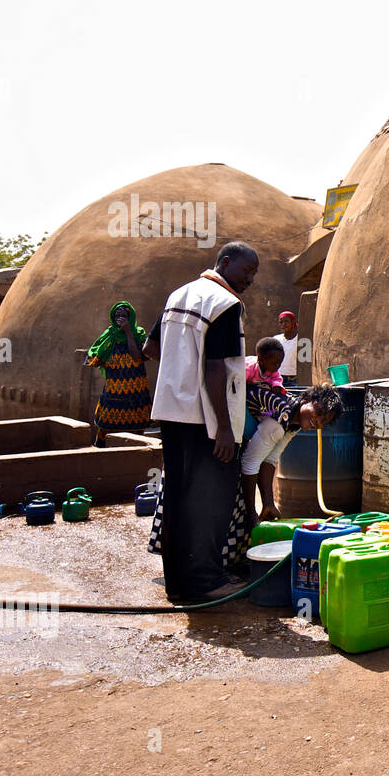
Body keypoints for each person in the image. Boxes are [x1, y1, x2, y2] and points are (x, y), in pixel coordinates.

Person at [144, 242, 258, 602]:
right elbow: (214, 369)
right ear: (225, 262)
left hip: (173, 412)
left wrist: (179, 373)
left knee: (178, 494)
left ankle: (179, 582)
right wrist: (224, 428)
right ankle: (206, 581)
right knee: (210, 500)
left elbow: (152, 349)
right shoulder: (223, 304)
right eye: (245, 271)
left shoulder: (179, 295)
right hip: (207, 420)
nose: (250, 279)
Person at [241, 384, 344, 525]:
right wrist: (251, 513)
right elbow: (249, 464)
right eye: (318, 412)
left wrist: (269, 504)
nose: (318, 422)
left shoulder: (295, 422)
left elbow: (269, 460)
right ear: (307, 399)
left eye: (324, 421)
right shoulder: (281, 418)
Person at [84, 301, 152, 445]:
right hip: (113, 394)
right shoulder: (109, 336)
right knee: (106, 428)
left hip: (136, 393)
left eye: (124, 316)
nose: (120, 318)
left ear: (130, 317)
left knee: (136, 433)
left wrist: (128, 331)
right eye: (117, 315)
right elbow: (94, 358)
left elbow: (136, 356)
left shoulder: (138, 334)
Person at [277, 310, 300, 387]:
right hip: (279, 378)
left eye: (286, 321)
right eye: (281, 322)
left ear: (293, 322)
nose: (283, 324)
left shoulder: (300, 340)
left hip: (294, 378)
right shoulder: (277, 340)